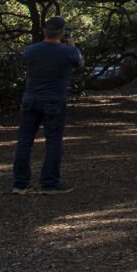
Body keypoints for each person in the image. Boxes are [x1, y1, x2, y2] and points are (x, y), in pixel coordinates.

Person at [13, 16, 83, 194]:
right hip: (54, 100)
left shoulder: (30, 50)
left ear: (45, 30)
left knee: (24, 141)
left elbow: (25, 64)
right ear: (61, 32)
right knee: (53, 141)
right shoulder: (68, 51)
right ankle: (49, 182)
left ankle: (20, 183)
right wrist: (73, 46)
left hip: (31, 99)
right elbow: (80, 64)